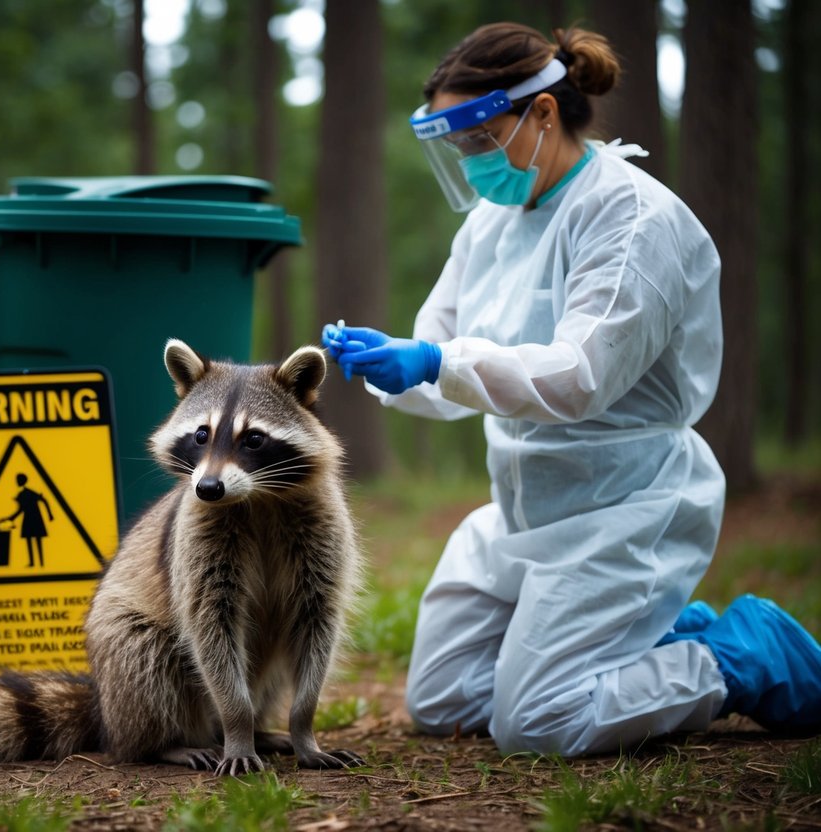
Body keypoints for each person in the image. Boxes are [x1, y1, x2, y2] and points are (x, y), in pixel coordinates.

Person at [322, 22, 821, 756]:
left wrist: (435, 361)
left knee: (538, 722)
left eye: (478, 138)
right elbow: (447, 367)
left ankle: (741, 656)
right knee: (447, 700)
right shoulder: (489, 225)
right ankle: (652, 634)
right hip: (521, 512)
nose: (469, 162)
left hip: (623, 509)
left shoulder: (630, 219)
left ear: (544, 114)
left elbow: (580, 377)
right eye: (454, 146)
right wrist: (390, 365)